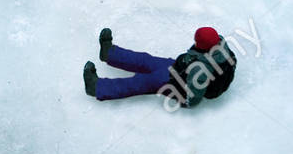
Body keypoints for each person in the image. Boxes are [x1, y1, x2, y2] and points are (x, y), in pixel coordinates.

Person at [83, 26, 236, 107]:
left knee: (143, 82)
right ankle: (110, 53)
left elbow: (193, 98)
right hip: (183, 71)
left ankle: (97, 87)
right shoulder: (220, 47)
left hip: (183, 87)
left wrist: (182, 98)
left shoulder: (201, 70)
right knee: (147, 60)